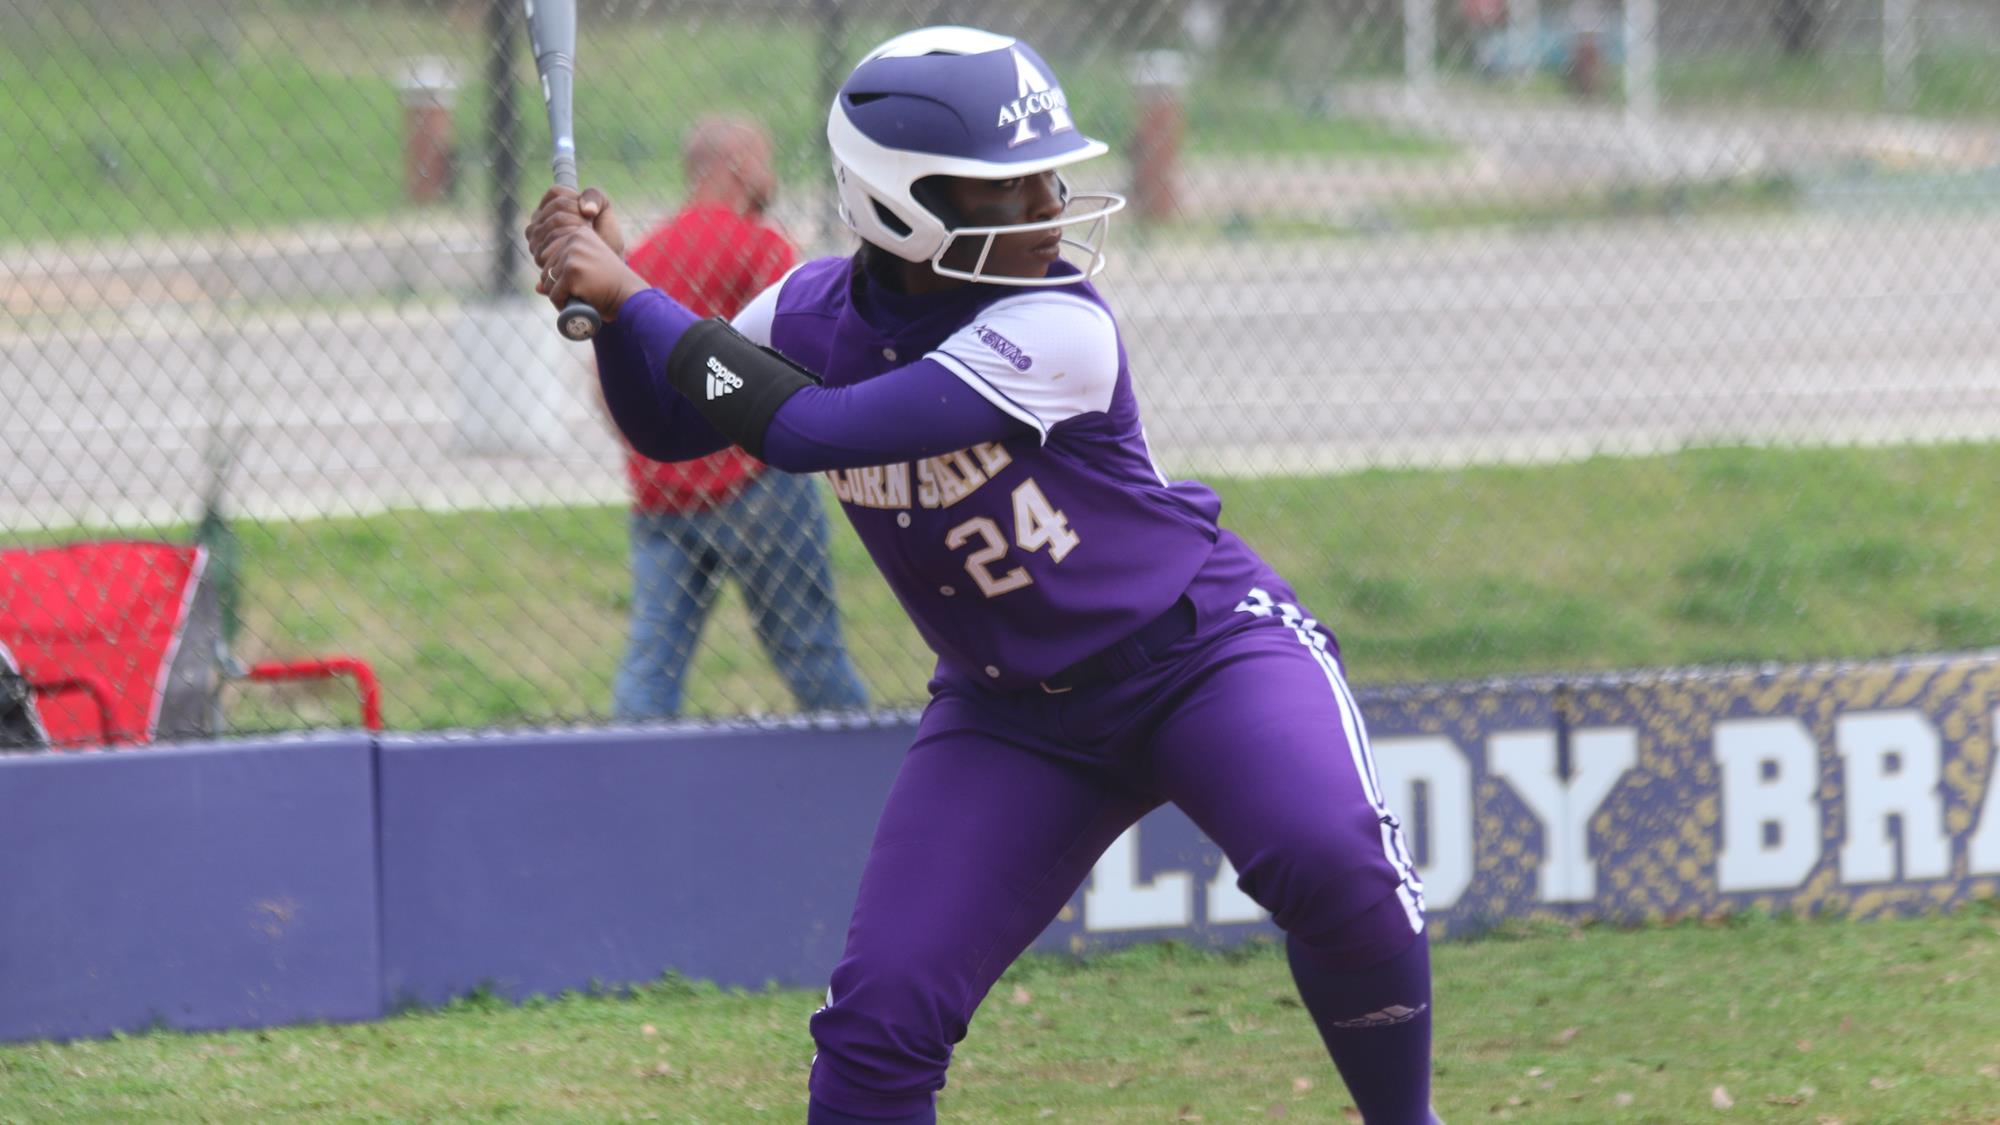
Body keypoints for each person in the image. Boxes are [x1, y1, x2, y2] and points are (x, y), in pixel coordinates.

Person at [527, 26, 1437, 1125]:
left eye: (1048, 173)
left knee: (1342, 877)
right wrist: (614, 321)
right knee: (874, 1031)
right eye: (1009, 189)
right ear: (901, 209)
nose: (1049, 204)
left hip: (1197, 656)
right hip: (1012, 715)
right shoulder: (811, 312)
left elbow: (809, 429)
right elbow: (666, 427)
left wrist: (634, 295)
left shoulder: (1055, 322)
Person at [607, 115, 868, 720]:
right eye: (765, 158)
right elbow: (800, 355)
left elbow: (608, 381)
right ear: (739, 165)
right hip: (756, 485)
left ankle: (625, 789)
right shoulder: (761, 245)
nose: (770, 174)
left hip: (661, 492)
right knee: (810, 652)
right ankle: (865, 781)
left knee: (652, 666)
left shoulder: (642, 258)